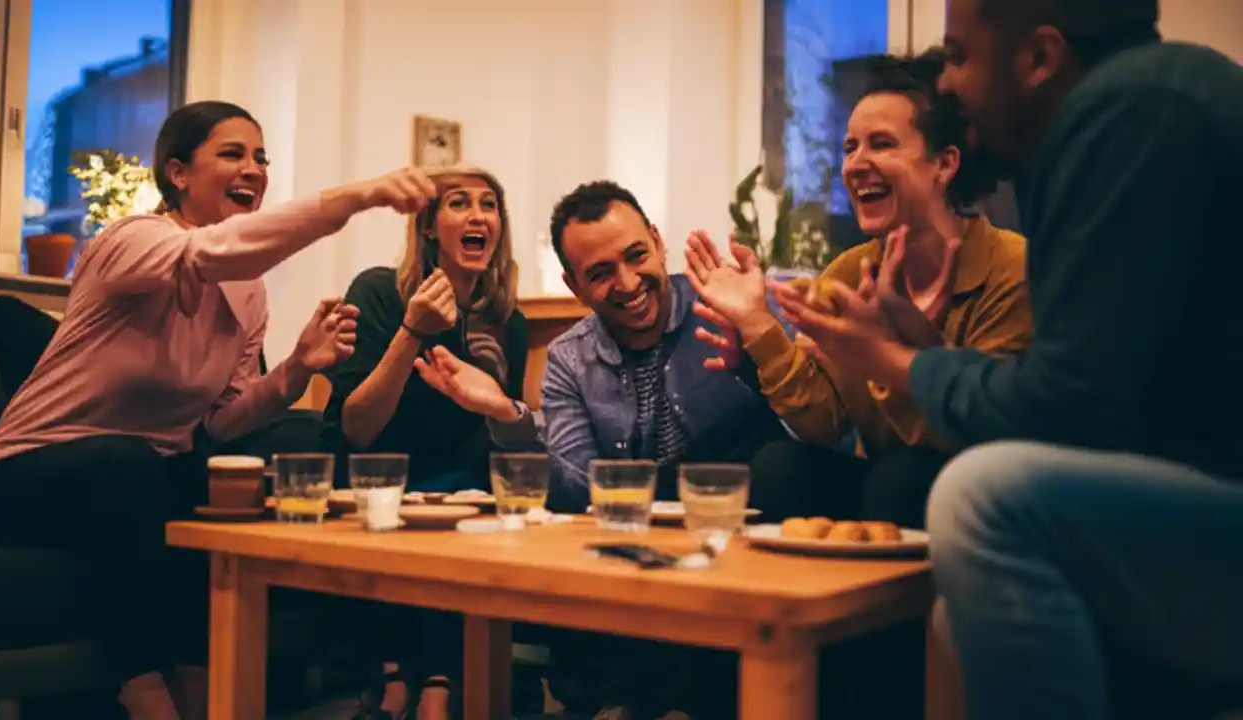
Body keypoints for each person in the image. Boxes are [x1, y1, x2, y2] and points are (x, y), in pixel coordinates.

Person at [780, 1, 1243, 717]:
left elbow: (1067, 411)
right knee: (951, 621)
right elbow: (1091, 397)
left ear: (1039, 57)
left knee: (980, 497)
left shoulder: (1130, 113)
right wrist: (917, 348)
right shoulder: (1111, 119)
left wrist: (897, 360)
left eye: (959, 56)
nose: (947, 85)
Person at [0, 100, 436, 720]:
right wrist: (354, 197)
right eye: (232, 154)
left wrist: (296, 370)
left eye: (261, 158)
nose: (254, 169)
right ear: (179, 173)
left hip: (140, 479)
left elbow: (221, 421)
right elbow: (209, 253)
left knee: (225, 475)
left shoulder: (249, 291)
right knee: (132, 464)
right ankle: (143, 691)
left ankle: (211, 688)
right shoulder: (131, 240)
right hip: (25, 474)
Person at [415, 180, 777, 718]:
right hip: (629, 551)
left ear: (657, 241)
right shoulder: (570, 357)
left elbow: (807, 424)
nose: (627, 283)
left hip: (735, 536)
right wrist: (508, 414)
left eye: (636, 256)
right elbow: (576, 490)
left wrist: (759, 335)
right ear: (574, 285)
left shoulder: (725, 306)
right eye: (601, 273)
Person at [688, 51, 1030, 529]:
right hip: (884, 483)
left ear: (944, 163)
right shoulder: (850, 272)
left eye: (882, 144)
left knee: (901, 478)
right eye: (850, 148)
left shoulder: (1012, 268)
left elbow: (983, 434)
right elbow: (822, 423)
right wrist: (757, 325)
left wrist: (887, 355)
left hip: (983, 491)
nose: (855, 165)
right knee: (778, 467)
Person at [321, 165, 526, 720]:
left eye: (489, 204)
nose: (479, 215)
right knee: (386, 484)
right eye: (460, 203)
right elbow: (356, 426)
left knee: (486, 476)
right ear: (430, 226)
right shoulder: (378, 292)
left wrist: (495, 404)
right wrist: (412, 330)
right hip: (373, 469)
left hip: (462, 481)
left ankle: (439, 681)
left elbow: (506, 430)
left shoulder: (506, 322)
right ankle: (394, 679)